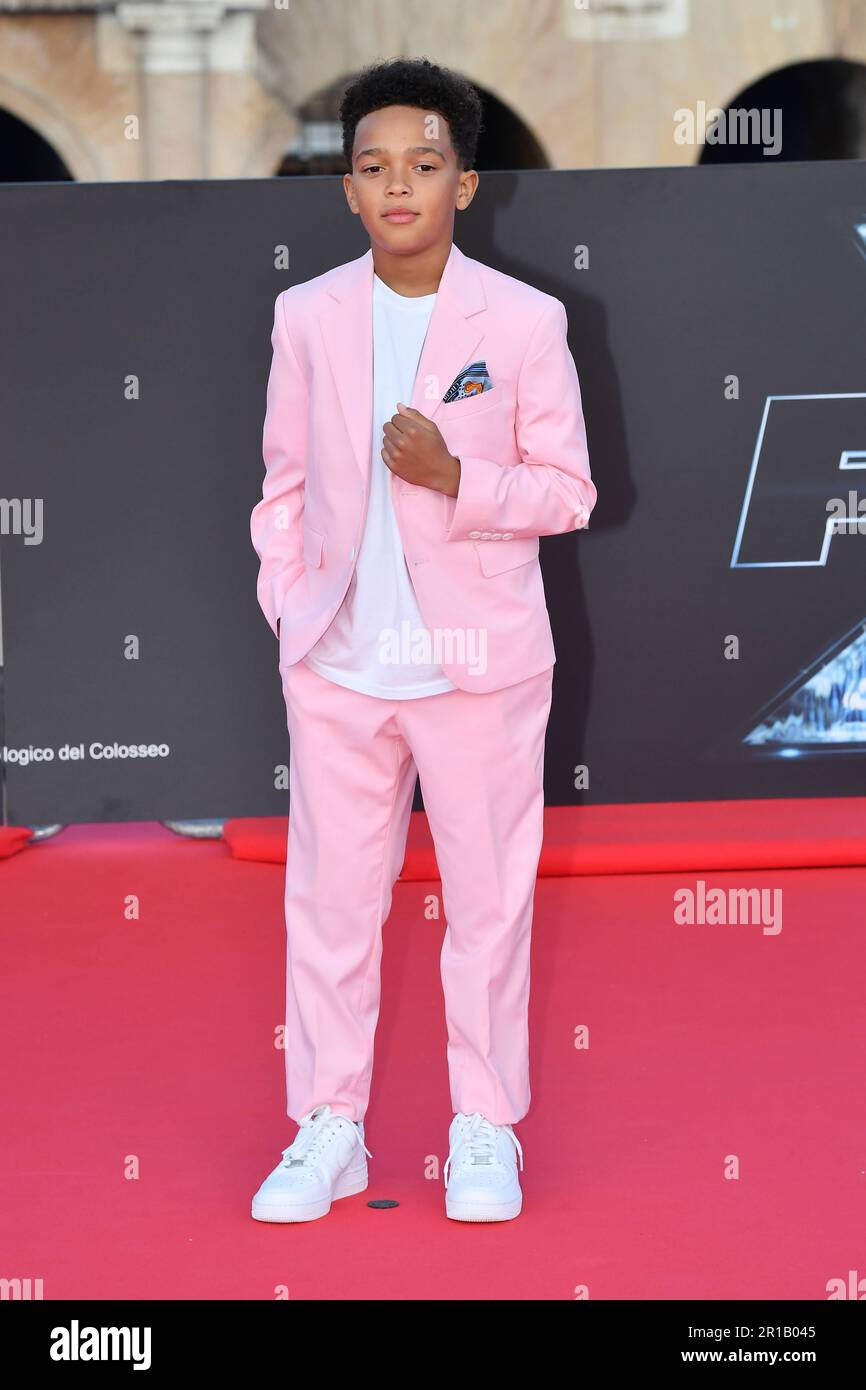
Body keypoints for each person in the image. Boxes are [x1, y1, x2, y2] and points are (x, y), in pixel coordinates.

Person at [249, 56, 597, 1224]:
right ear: (347, 189)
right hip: (339, 666)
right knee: (331, 907)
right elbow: (281, 487)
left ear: (465, 182)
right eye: (372, 165)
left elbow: (568, 491)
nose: (397, 184)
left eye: (424, 163)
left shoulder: (528, 320)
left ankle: (482, 1126)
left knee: (489, 908)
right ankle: (328, 1126)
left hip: (478, 667)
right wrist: (291, 608)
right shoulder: (306, 316)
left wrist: (459, 477)